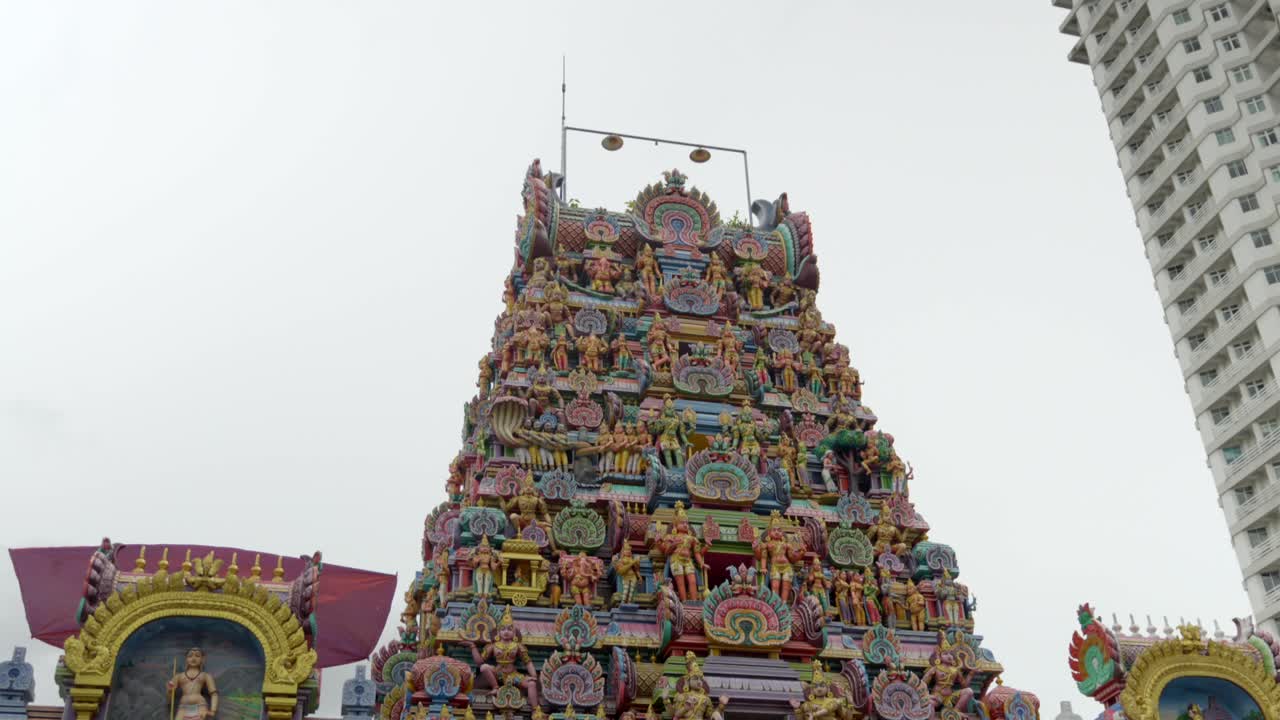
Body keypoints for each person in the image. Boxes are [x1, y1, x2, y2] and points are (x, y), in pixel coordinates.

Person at [167, 648, 218, 719]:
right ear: (186, 659)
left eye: (197, 656)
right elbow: (169, 700)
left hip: (200, 705)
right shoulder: (178, 676)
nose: (193, 658)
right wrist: (169, 691)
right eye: (190, 656)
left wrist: (213, 710)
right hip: (183, 707)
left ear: (202, 659)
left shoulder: (205, 676)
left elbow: (214, 694)